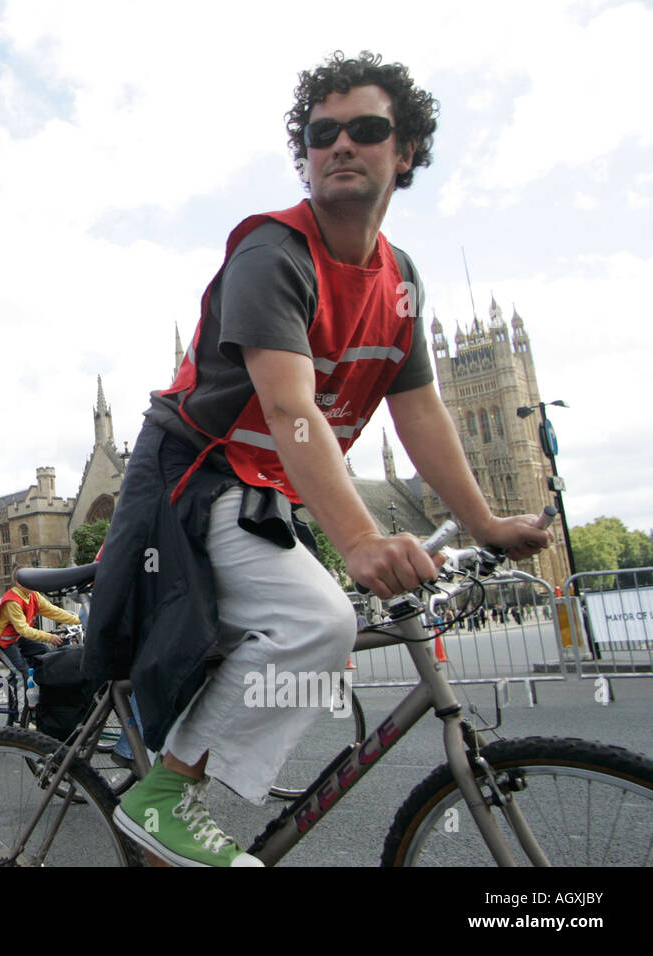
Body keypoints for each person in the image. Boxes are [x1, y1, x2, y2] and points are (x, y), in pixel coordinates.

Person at [88, 51, 553, 867]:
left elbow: (419, 412)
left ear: (404, 152)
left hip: (266, 494)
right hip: (196, 478)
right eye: (321, 132)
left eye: (365, 130)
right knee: (319, 619)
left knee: (306, 632)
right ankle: (164, 795)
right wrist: (362, 540)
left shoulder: (399, 279)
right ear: (303, 154)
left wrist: (482, 522)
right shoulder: (275, 253)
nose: (340, 144)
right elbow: (289, 406)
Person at [0, 562, 81, 693]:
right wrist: (49, 637)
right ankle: (22, 712)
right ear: (19, 583)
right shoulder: (12, 601)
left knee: (45, 655)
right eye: (31, 578)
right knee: (22, 674)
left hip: (16, 638)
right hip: (0, 643)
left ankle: (19, 685)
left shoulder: (33, 595)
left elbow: (53, 611)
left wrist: (80, 620)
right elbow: (24, 630)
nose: (35, 582)